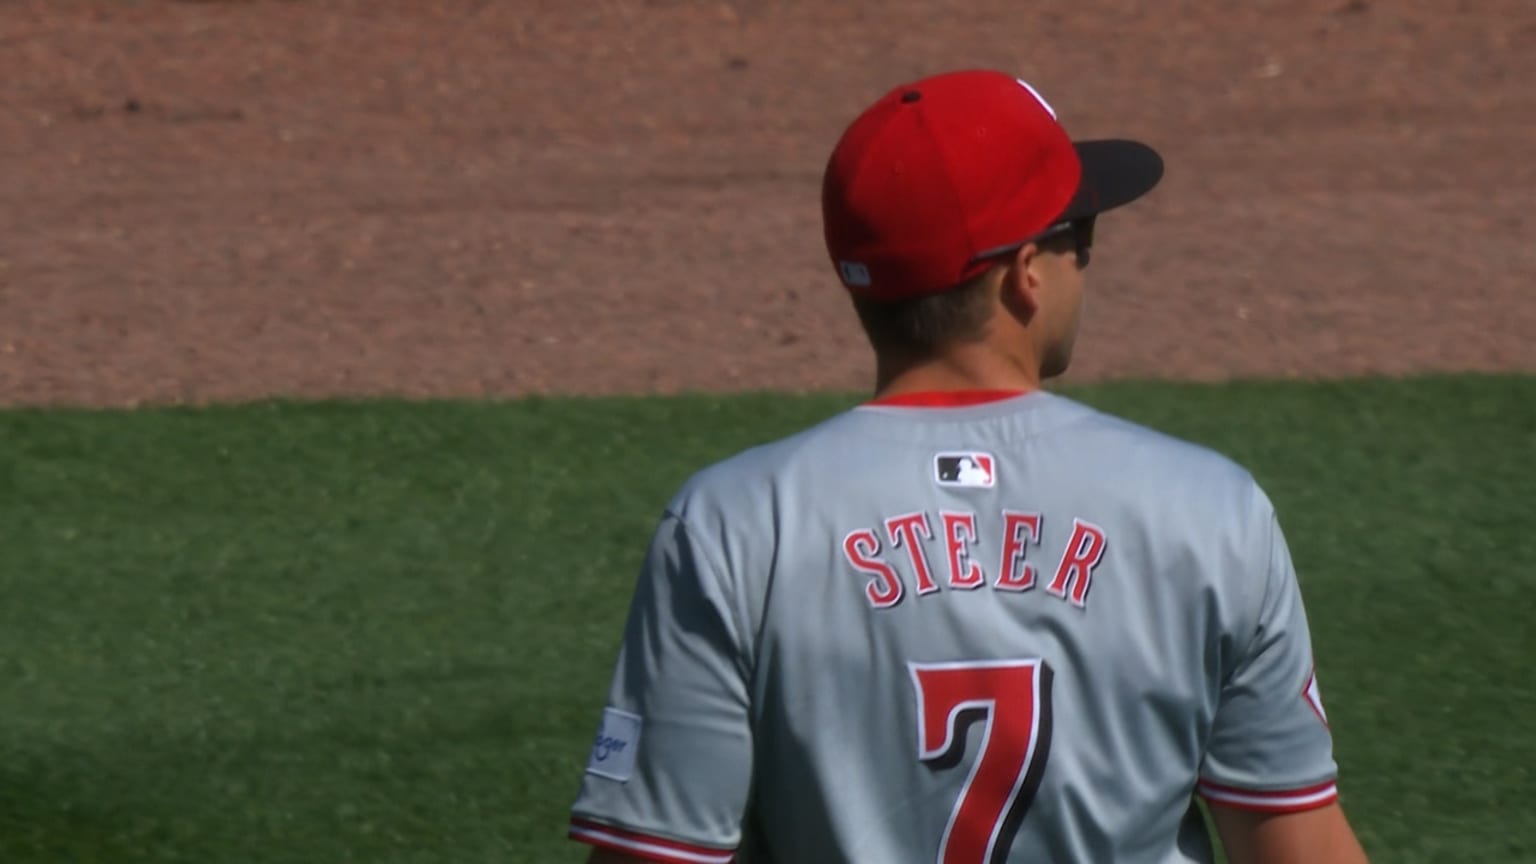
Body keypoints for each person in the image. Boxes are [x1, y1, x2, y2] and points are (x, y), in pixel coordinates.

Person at [566, 69, 1370, 864]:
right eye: (1078, 240)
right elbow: (1298, 846)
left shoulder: (733, 525)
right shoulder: (1209, 511)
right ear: (1026, 275)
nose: (1084, 267)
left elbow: (652, 855)